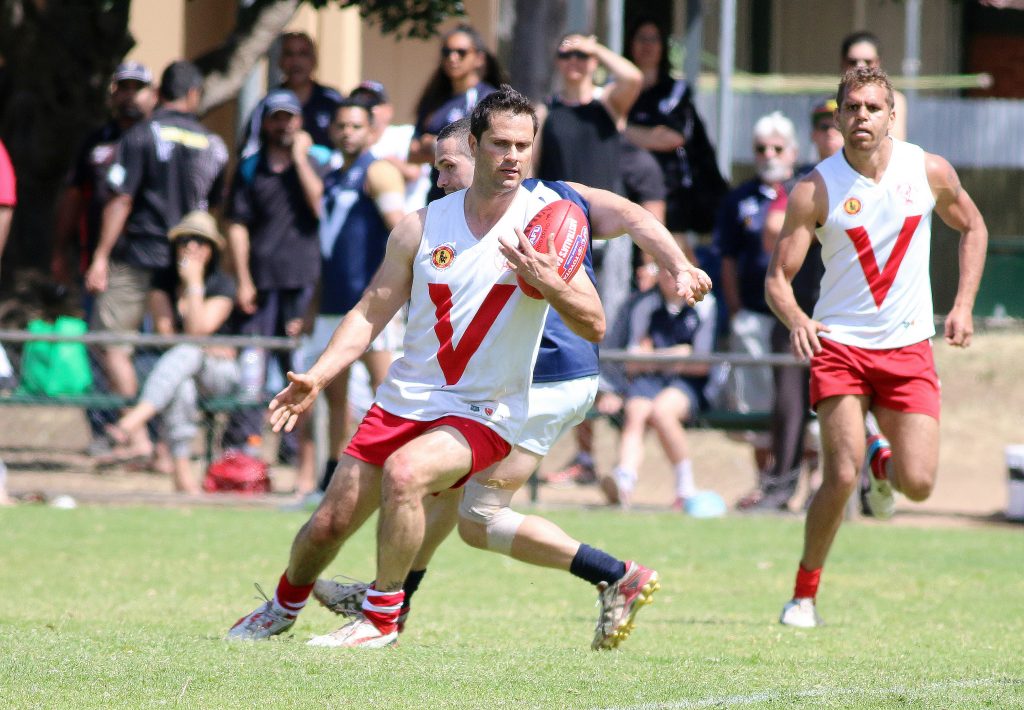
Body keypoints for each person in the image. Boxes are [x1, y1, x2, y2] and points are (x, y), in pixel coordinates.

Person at [226, 86, 709, 649]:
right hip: (407, 397)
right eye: (501, 143)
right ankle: (283, 607)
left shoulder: (545, 222)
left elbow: (596, 324)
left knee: (413, 479)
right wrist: (320, 374)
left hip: (487, 408)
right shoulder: (420, 226)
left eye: (523, 146)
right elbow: (368, 312)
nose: (513, 157)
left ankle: (382, 616)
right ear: (475, 144)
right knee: (328, 524)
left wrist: (555, 283)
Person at [766, 67, 987, 627]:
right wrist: (796, 317)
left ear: (892, 115)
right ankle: (803, 595)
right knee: (839, 478)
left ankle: (882, 464)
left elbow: (974, 227)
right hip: (840, 345)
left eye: (872, 107)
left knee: (919, 484)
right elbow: (777, 278)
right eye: (852, 108)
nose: (861, 116)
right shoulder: (814, 189)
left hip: (909, 347)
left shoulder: (927, 170)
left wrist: (962, 304)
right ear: (837, 117)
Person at [84, 60, 229, 463]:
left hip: (139, 256)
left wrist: (99, 256)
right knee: (174, 348)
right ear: (195, 95)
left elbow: (122, 198)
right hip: (188, 258)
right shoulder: (215, 144)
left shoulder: (142, 134)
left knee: (111, 344)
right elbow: (214, 209)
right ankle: (163, 447)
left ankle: (139, 436)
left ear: (160, 93)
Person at [737, 98, 843, 511]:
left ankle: (856, 491)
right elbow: (770, 229)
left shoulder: (867, 180)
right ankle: (781, 488)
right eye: (822, 126)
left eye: (835, 124)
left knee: (848, 404)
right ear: (813, 135)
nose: (830, 132)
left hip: (847, 313)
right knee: (789, 403)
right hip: (798, 310)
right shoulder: (803, 181)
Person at [299, 97, 406, 496]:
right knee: (331, 398)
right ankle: (331, 480)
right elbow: (329, 249)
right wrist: (313, 304)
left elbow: (402, 234)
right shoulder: (331, 177)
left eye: (356, 126)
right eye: (342, 126)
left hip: (374, 305)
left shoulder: (377, 172)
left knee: (388, 390)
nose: (348, 133)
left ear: (371, 131)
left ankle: (398, 474)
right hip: (332, 304)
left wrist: (393, 291)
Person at [222, 88, 325, 481]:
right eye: (276, 117)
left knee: (299, 369)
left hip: (303, 284)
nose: (284, 124)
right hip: (261, 284)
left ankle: (296, 448)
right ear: (265, 122)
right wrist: (243, 279)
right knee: (252, 367)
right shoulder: (250, 168)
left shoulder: (317, 163)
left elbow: (320, 208)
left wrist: (300, 159)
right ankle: (244, 445)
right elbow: (236, 224)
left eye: (291, 117)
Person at [105, 211, 238, 494]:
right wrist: (202, 342)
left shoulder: (222, 284)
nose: (192, 247)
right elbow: (169, 337)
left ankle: (138, 416)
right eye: (185, 240)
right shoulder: (162, 283)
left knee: (188, 352)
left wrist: (194, 284)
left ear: (212, 248)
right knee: (184, 382)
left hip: (218, 375)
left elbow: (197, 330)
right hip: (178, 372)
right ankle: (182, 476)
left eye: (200, 241)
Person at [715, 111, 799, 475]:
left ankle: (804, 483)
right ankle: (766, 482)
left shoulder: (808, 192)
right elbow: (728, 260)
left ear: (792, 152)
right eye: (761, 148)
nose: (770, 154)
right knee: (756, 405)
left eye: (778, 147)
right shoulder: (739, 200)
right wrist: (736, 311)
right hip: (752, 315)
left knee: (799, 403)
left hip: (796, 320)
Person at [602, 265, 717, 510]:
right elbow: (633, 364)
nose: (670, 277)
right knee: (636, 410)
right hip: (650, 380)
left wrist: (653, 355)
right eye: (664, 270)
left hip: (687, 384)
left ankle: (686, 488)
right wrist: (678, 354)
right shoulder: (645, 305)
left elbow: (700, 364)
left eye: (675, 271)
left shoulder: (704, 304)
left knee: (663, 411)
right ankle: (624, 479)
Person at [53, 62, 157, 287]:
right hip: (101, 259)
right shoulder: (97, 140)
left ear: (153, 95)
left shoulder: (160, 141)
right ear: (113, 92)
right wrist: (60, 250)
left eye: (137, 88)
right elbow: (75, 194)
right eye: (123, 87)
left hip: (151, 257)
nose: (130, 95)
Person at [624, 17, 727, 236]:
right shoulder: (618, 90)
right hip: (629, 189)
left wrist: (621, 130)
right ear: (630, 44)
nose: (647, 45)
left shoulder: (675, 91)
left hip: (673, 194)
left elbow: (672, 138)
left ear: (663, 47)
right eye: (641, 38)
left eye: (654, 39)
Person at [407, 23, 504, 203]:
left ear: (479, 58)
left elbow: (485, 151)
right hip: (438, 195)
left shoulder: (490, 99)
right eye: (446, 52)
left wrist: (434, 146)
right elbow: (413, 153)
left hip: (476, 198)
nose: (453, 58)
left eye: (461, 52)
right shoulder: (434, 99)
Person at [238, 31, 343, 155]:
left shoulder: (331, 100)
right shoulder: (268, 102)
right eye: (289, 54)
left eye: (303, 54)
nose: (296, 61)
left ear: (314, 60)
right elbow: (250, 148)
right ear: (280, 61)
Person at [349, 80, 432, 213]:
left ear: (389, 110)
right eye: (359, 103)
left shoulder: (405, 135)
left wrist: (379, 160)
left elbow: (413, 172)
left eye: (372, 103)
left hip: (411, 223)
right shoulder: (348, 144)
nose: (365, 108)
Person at [840, 31, 907, 141]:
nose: (860, 66)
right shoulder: (830, 101)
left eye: (868, 61)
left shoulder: (894, 99)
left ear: (878, 63)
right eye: (853, 62)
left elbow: (895, 142)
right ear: (843, 63)